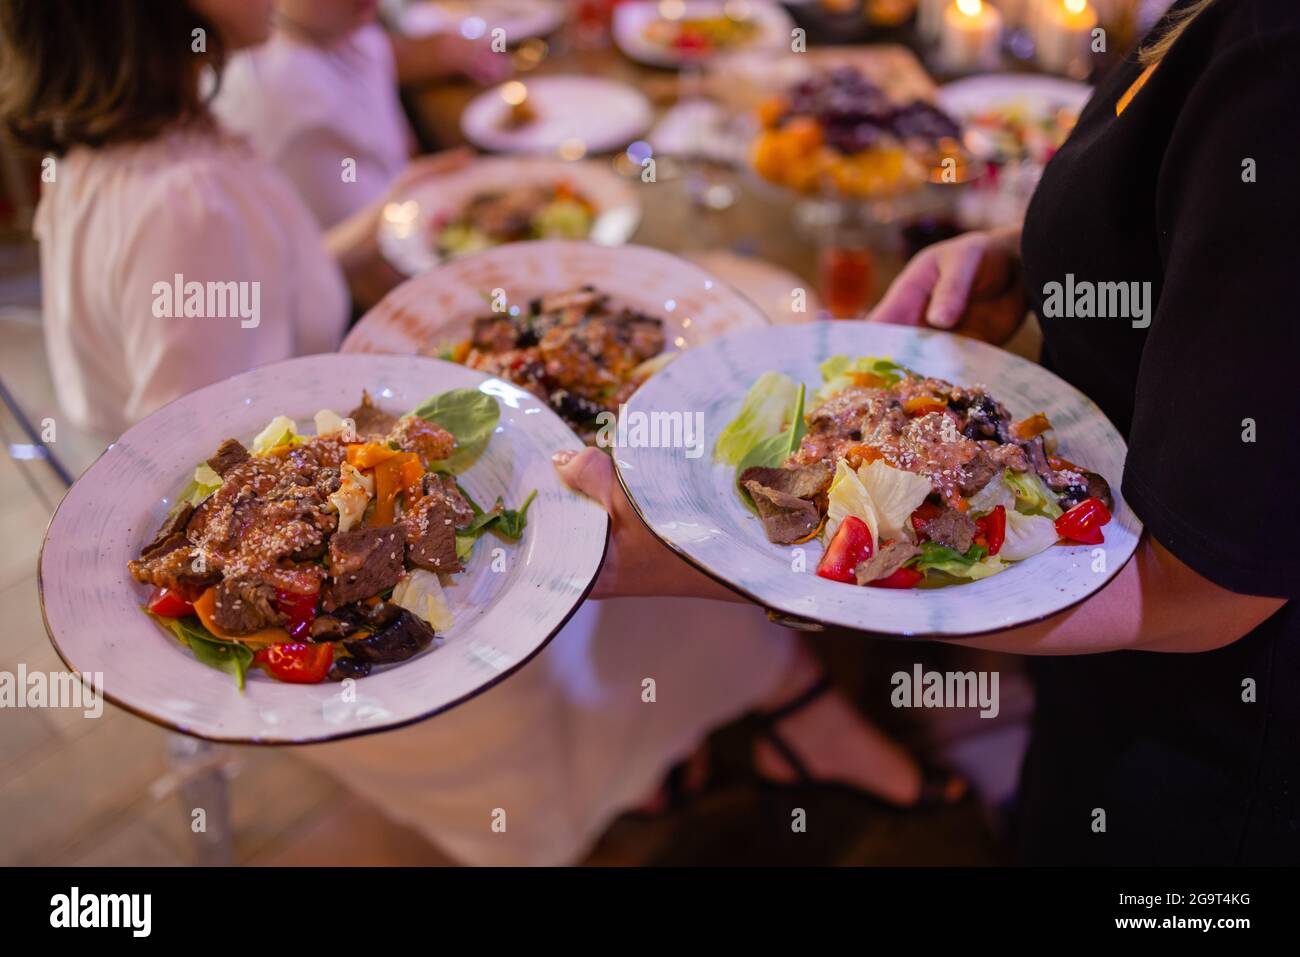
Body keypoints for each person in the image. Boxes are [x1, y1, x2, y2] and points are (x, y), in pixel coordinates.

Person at [0, 0, 963, 866]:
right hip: (350, 650)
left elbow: (255, 306)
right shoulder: (185, 197)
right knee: (641, 540)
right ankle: (650, 770)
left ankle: (714, 736)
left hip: (345, 490)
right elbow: (195, 441)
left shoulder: (134, 155)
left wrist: (370, 226)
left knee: (614, 507)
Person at [554, 0, 1300, 864]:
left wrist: (715, 561)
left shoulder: (1278, 68)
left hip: (1215, 746)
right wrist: (1045, 257)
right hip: (1107, 661)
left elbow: (1210, 587)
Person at [0, 0, 461, 441]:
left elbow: (253, 292)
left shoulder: (109, 150)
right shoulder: (181, 203)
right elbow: (201, 459)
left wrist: (380, 220)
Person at [212, 0, 509, 229]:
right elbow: (367, 274)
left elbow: (376, 55)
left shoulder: (343, 29)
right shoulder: (290, 98)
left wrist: (438, 51)